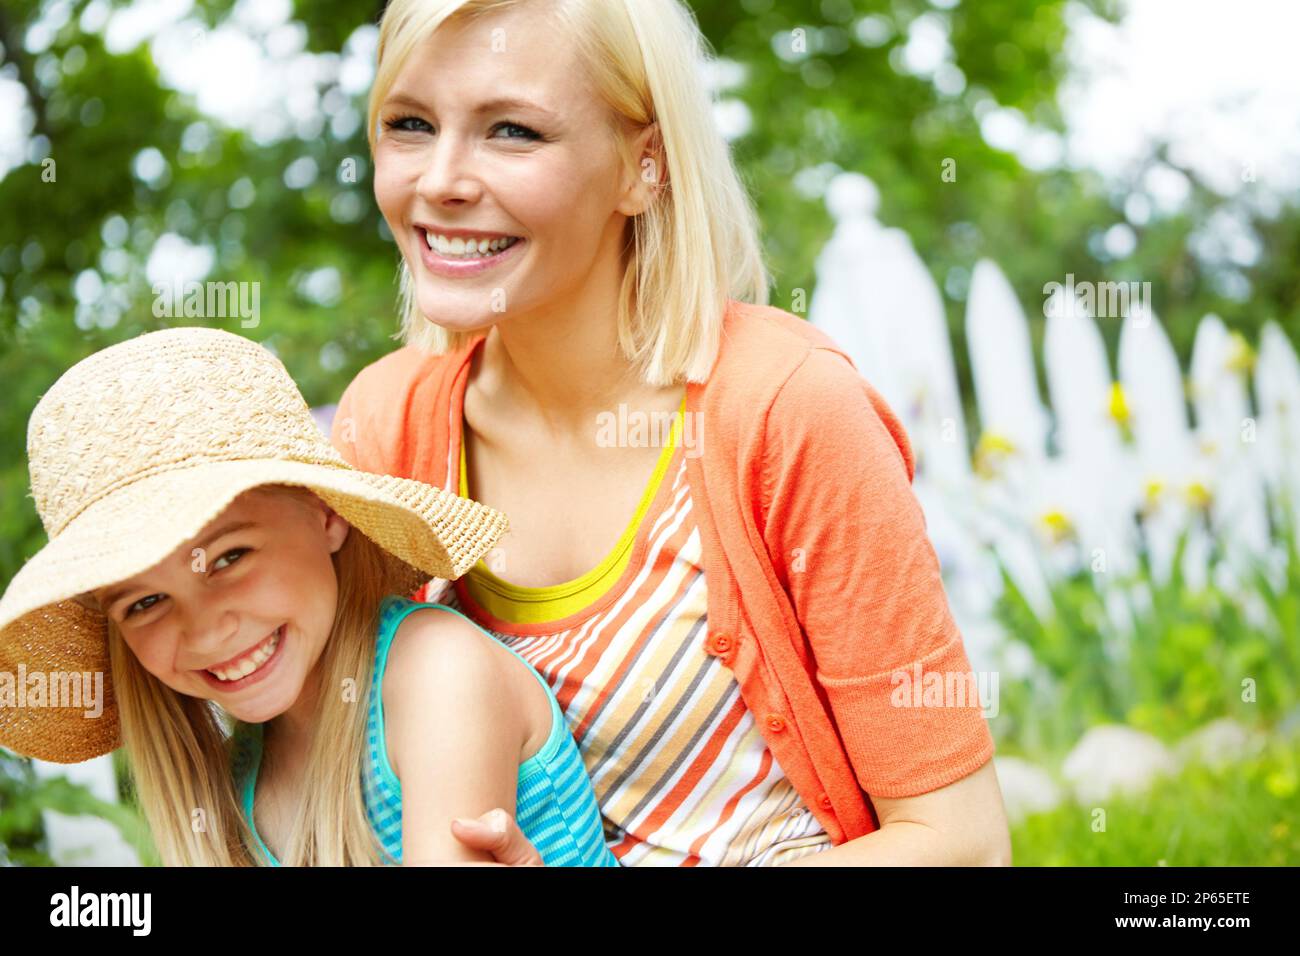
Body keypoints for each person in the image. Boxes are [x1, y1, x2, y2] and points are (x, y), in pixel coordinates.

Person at [335, 0, 1012, 865]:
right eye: (410, 124)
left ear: (643, 166)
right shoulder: (386, 429)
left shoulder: (786, 408)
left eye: (511, 131)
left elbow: (962, 843)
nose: (440, 180)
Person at [0, 326, 619, 867]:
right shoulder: (242, 773)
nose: (208, 631)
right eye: (143, 603)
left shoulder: (433, 672)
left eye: (230, 557)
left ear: (326, 515)